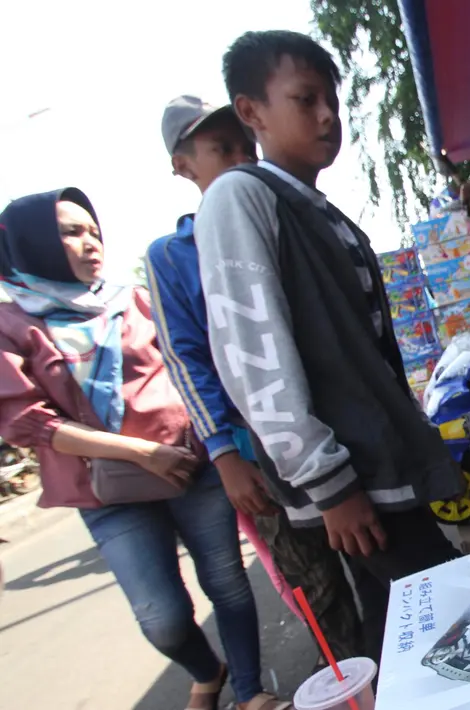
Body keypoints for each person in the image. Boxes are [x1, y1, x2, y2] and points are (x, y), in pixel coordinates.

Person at [194, 30, 462, 660]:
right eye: (306, 98)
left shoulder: (315, 208)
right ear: (252, 111)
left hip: (377, 471)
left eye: (333, 101)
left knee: (399, 634)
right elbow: (252, 354)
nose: (327, 117)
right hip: (352, 482)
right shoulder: (240, 196)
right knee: (452, 624)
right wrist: (329, 482)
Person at [0, 189, 286, 710]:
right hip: (107, 493)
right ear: (30, 243)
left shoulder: (131, 299)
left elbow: (189, 364)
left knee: (227, 584)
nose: (90, 243)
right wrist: (142, 453)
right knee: (162, 618)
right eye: (70, 232)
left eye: (93, 231)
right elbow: (25, 422)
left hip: (193, 467)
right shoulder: (12, 323)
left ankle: (251, 693)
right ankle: (208, 670)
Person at [146, 95, 365, 665]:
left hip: (333, 432)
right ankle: (352, 684)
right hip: (258, 452)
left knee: (374, 563)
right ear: (182, 165)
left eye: (245, 144)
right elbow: (186, 357)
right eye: (222, 149)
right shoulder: (173, 255)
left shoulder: (285, 214)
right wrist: (223, 452)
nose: (241, 157)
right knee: (317, 586)